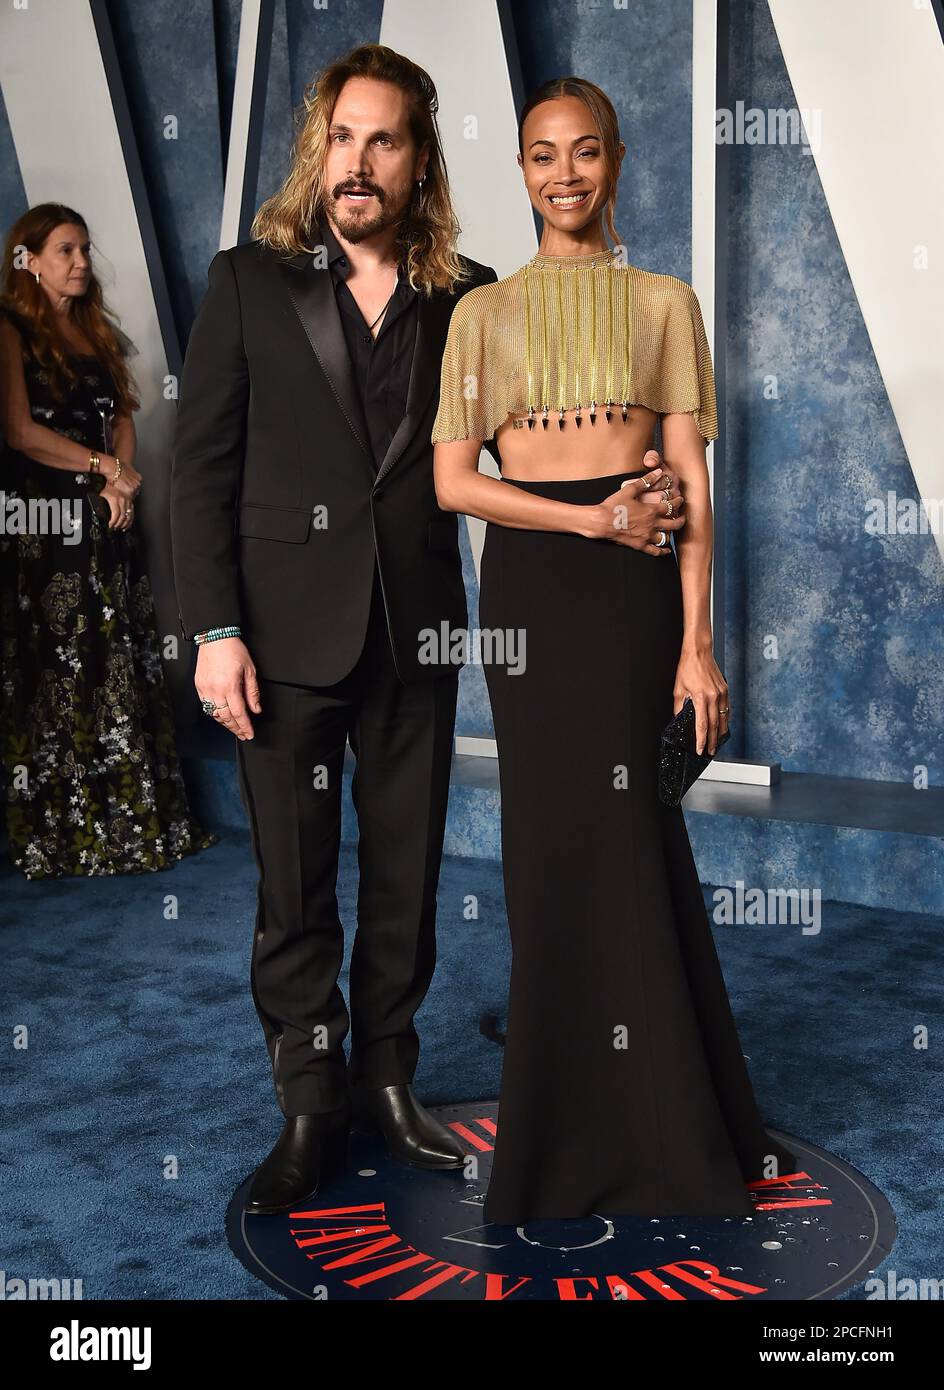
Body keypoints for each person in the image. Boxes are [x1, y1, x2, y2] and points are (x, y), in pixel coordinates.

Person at [432, 78, 798, 1225]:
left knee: (635, 840)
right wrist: (591, 517)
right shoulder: (479, 316)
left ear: (616, 161)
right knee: (550, 854)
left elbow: (686, 487)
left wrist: (697, 647)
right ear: (524, 170)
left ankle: (680, 1128)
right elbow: (454, 480)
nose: (563, 175)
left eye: (584, 153)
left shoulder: (661, 304)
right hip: (535, 591)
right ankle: (554, 1135)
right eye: (543, 156)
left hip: (637, 603)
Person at [170, 44, 508, 1215]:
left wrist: (626, 495)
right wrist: (215, 627)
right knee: (293, 880)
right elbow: (198, 474)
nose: (357, 163)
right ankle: (309, 1099)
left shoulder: (471, 294)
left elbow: (527, 456)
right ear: (321, 149)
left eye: (385, 141)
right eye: (342, 137)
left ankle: (389, 1079)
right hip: (277, 635)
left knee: (406, 871)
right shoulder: (250, 281)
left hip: (418, 633)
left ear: (419, 163)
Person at [0, 204, 216, 878]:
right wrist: (104, 470)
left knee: (122, 660)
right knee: (65, 674)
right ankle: (72, 834)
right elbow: (20, 432)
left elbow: (121, 415)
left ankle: (136, 822)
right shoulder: (9, 330)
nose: (81, 262)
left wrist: (120, 483)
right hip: (45, 529)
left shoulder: (94, 330)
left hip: (106, 520)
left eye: (85, 249)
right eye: (65, 250)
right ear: (27, 260)